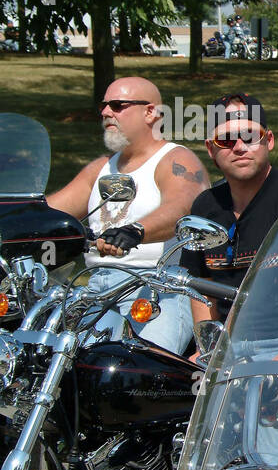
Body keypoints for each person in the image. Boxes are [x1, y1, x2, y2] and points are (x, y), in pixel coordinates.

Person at [46, 76, 210, 354]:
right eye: (104, 106)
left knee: (143, 369)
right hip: (94, 286)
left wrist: (135, 231)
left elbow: (182, 206)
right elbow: (48, 211)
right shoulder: (101, 167)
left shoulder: (175, 159)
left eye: (117, 105)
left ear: (150, 112)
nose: (106, 112)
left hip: (158, 286)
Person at [181, 94, 278, 331]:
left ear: (269, 140)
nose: (240, 147)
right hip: (228, 350)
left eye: (250, 136)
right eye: (226, 140)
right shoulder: (205, 206)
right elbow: (201, 285)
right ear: (211, 149)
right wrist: (207, 349)